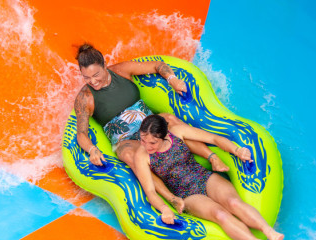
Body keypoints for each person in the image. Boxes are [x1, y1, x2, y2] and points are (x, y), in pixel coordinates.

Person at [73, 44, 229, 196]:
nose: (93, 81)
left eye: (96, 75)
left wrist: (173, 80)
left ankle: (212, 157)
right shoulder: (85, 98)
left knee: (168, 119)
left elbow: (157, 65)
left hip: (150, 123)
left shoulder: (121, 70)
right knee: (128, 154)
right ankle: (170, 198)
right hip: (125, 138)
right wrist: (92, 150)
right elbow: (81, 134)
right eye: (86, 77)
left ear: (104, 65)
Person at [135, 114, 285, 240]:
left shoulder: (177, 133)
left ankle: (269, 232)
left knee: (233, 203)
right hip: (187, 194)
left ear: (165, 135)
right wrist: (165, 208)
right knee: (220, 214)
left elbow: (213, 138)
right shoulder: (142, 156)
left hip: (204, 177)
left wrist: (237, 150)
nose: (147, 146)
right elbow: (150, 190)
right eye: (142, 140)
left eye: (152, 143)